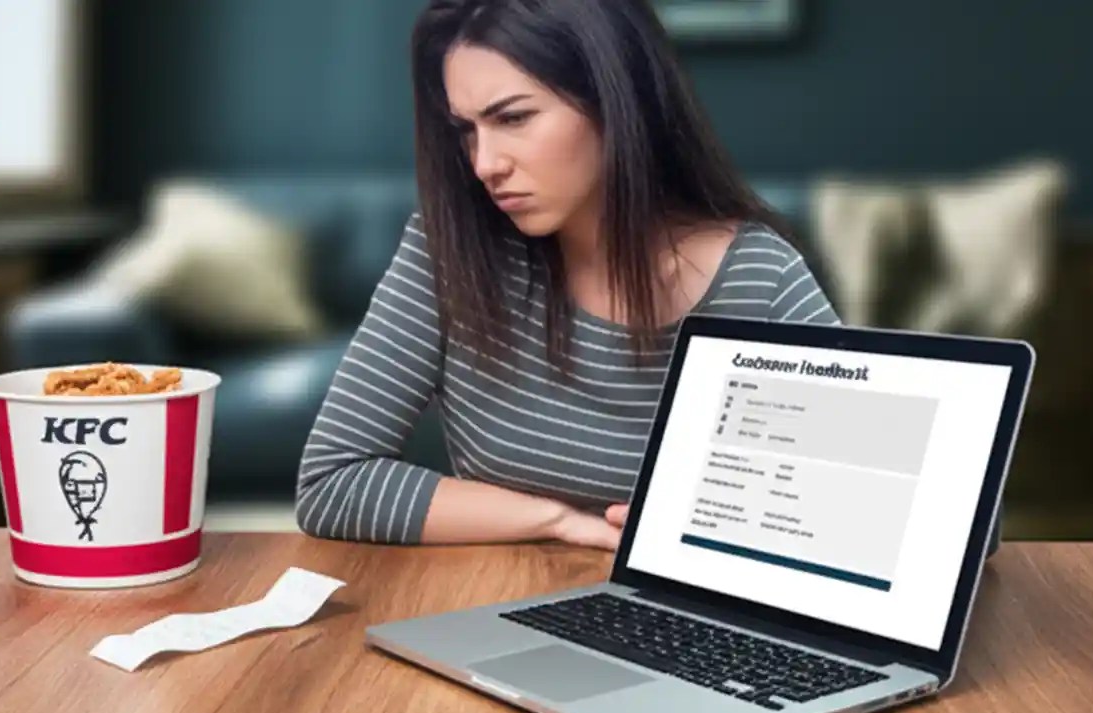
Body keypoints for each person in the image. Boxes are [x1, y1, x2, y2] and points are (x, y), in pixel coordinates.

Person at [295, 0, 839, 550]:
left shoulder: (760, 278)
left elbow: (851, 515)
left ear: (616, 100)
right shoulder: (451, 248)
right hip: (489, 607)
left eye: (513, 118)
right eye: (465, 130)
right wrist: (561, 523)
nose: (485, 163)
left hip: (674, 616)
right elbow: (332, 481)